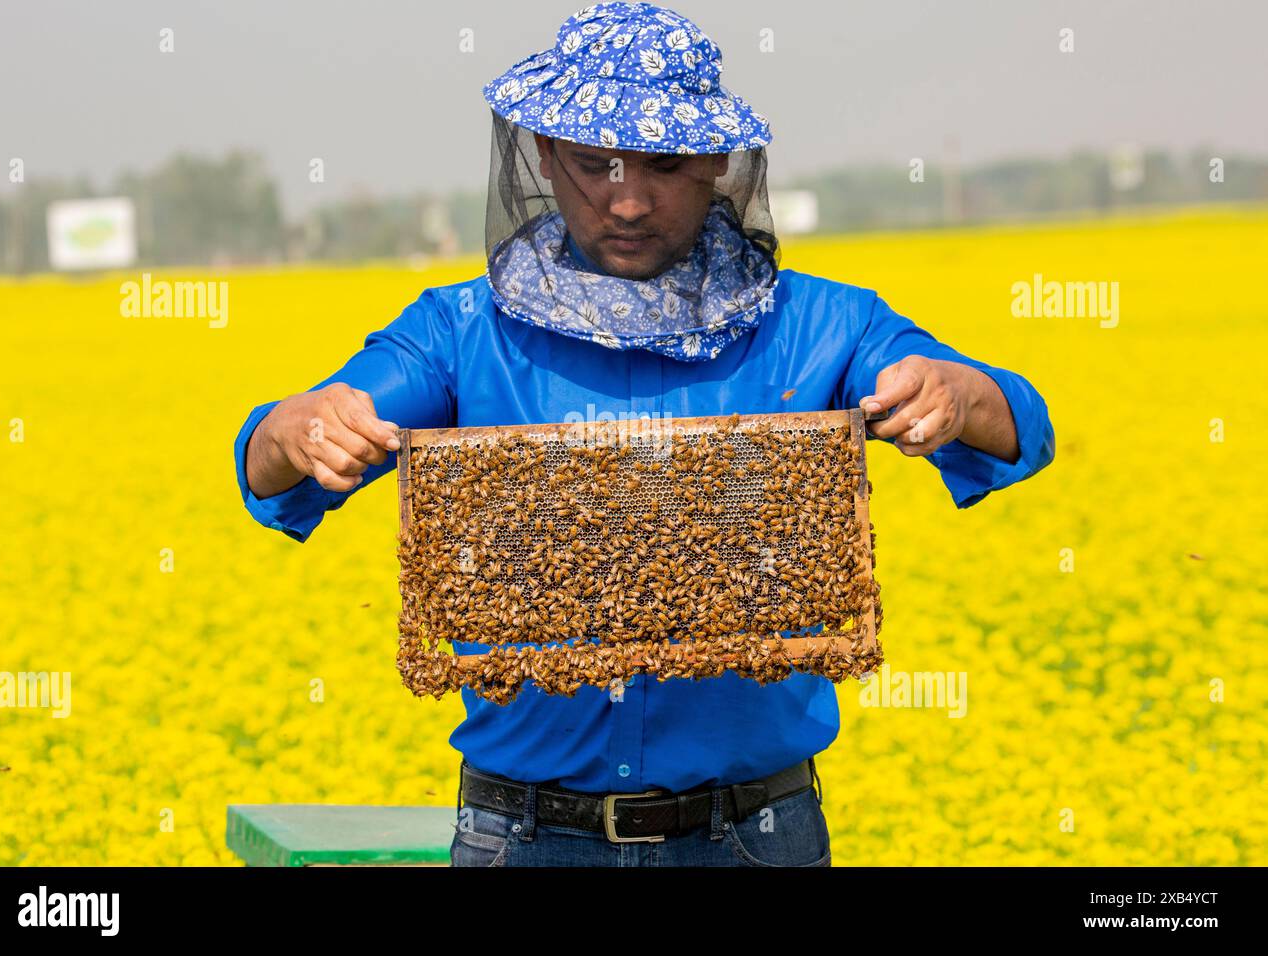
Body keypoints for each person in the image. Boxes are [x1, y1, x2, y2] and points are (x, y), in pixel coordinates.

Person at [233, 2, 1055, 867]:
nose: (628, 200)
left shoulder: (822, 324)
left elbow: (1014, 423)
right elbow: (278, 456)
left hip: (751, 836)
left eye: (663, 164)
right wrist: (298, 428)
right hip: (524, 837)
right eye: (595, 165)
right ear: (545, 155)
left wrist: (959, 395)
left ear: (718, 161)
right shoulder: (456, 333)